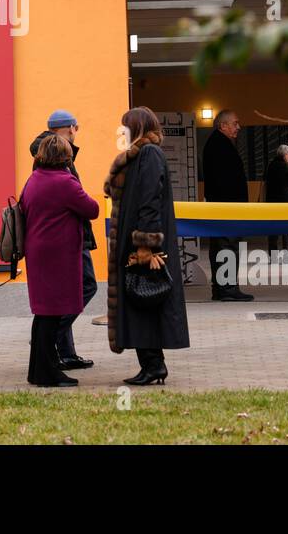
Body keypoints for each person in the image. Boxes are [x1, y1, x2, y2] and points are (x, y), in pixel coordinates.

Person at [105, 106, 190, 385]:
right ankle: (152, 365)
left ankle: (154, 366)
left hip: (145, 244)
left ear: (138, 127)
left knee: (146, 300)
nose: (122, 131)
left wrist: (146, 246)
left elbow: (150, 200)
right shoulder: (140, 155)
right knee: (141, 302)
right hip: (137, 241)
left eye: (125, 126)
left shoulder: (150, 154)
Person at [21, 134, 100, 387]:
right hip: (57, 255)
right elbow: (93, 209)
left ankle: (38, 370)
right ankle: (48, 374)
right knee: (53, 313)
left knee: (43, 314)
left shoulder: (34, 179)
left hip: (38, 252)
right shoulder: (65, 182)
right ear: (64, 157)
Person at [200, 109, 254, 301]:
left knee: (221, 246)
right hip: (227, 208)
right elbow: (225, 180)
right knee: (227, 247)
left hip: (222, 207)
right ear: (223, 125)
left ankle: (221, 288)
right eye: (235, 123)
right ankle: (228, 288)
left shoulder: (217, 143)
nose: (238, 127)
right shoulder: (220, 145)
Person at [265, 144, 288, 261]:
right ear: (285, 155)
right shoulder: (286, 167)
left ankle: (273, 256)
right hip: (285, 203)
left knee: (273, 231)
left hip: (272, 203)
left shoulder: (271, 165)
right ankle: (287, 256)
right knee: (287, 230)